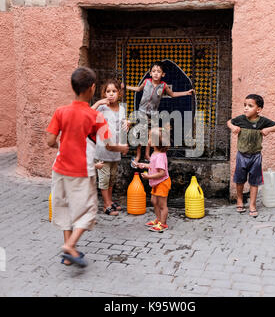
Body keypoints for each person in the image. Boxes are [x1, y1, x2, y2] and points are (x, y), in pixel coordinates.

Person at [46, 67, 111, 267]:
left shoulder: (60, 112)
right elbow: (107, 142)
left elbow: (50, 141)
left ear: (73, 87)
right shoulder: (95, 117)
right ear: (92, 89)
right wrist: (123, 147)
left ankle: (68, 253)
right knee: (88, 210)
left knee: (65, 208)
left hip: (59, 169)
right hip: (82, 171)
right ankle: (70, 245)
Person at [122, 61, 194, 166]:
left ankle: (147, 155)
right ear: (150, 73)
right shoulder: (146, 82)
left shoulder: (163, 85)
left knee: (149, 135)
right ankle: (138, 156)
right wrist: (126, 87)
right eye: (154, 71)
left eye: (158, 71)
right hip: (141, 112)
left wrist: (186, 93)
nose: (156, 73)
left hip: (153, 114)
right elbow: (138, 89)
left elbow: (172, 94)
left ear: (163, 74)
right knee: (140, 135)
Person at [227, 94, 275, 218]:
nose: (246, 108)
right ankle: (239, 200)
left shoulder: (262, 121)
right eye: (245, 105)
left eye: (250, 106)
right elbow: (229, 122)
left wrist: (269, 130)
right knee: (240, 179)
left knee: (254, 181)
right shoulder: (241, 119)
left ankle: (252, 205)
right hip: (242, 156)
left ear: (258, 109)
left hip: (256, 156)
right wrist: (233, 127)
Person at [91, 79, 129, 216]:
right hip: (103, 149)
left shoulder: (122, 109)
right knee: (104, 178)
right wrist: (98, 102)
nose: (111, 94)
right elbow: (87, 114)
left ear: (119, 93)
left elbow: (122, 126)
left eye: (114, 91)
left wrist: (127, 123)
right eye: (108, 91)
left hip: (116, 149)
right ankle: (106, 205)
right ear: (104, 93)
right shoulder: (102, 108)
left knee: (112, 178)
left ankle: (110, 201)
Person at [137, 127, 171, 232]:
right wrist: (145, 166)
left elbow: (162, 172)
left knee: (162, 205)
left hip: (162, 182)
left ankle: (163, 224)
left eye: (150, 138)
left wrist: (148, 177)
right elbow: (154, 166)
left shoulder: (160, 156)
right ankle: (158, 219)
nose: (148, 140)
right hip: (156, 182)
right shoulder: (155, 153)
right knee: (154, 201)